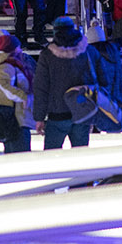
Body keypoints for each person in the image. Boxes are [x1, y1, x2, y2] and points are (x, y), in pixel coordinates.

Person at [32, 16, 100, 149]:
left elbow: (41, 87)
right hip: (82, 112)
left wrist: (39, 117)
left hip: (57, 115)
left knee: (52, 156)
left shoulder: (47, 55)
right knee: (80, 157)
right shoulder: (88, 51)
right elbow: (99, 80)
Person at [0, 30, 36, 153]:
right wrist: (23, 96)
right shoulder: (7, 65)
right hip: (14, 116)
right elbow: (4, 84)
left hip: (11, 115)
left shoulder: (7, 64)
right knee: (19, 151)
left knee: (13, 150)